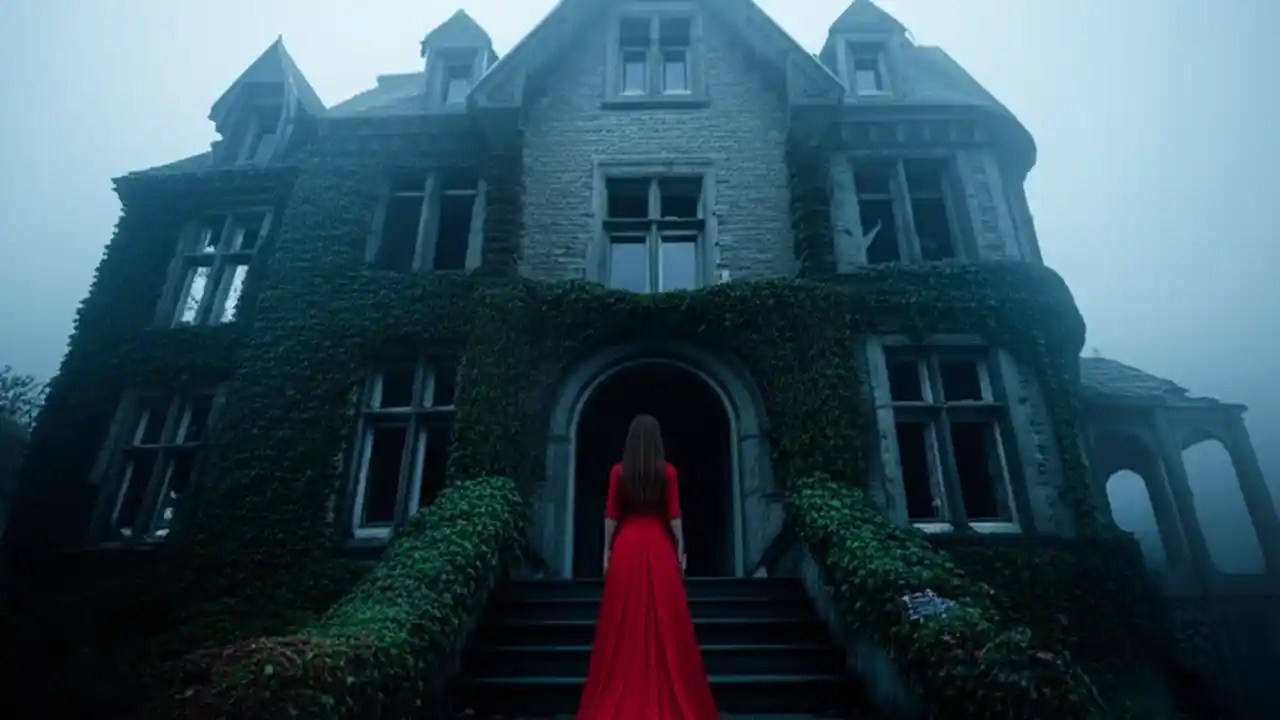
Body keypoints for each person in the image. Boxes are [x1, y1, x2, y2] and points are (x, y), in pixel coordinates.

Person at [575, 414, 719, 720]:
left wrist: (606, 554)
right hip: (659, 548)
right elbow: (675, 516)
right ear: (658, 441)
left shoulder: (618, 472)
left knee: (621, 623)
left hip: (626, 548)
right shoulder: (667, 472)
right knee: (667, 621)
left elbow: (611, 516)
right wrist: (682, 552)